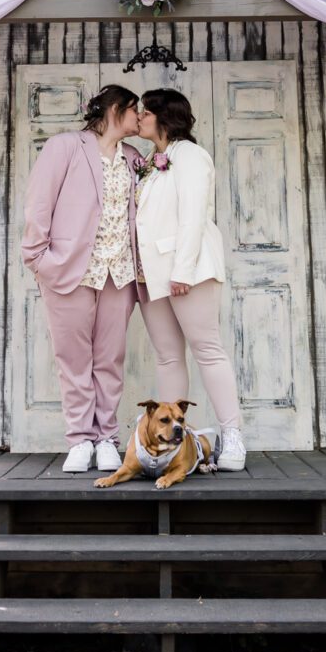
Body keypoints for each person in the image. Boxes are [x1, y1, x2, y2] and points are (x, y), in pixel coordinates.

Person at [21, 85, 145, 473]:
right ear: (114, 110)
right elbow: (39, 202)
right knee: (73, 359)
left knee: (109, 359)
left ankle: (106, 437)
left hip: (119, 273)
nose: (139, 118)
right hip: (69, 271)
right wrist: (38, 258)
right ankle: (79, 439)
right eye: (134, 110)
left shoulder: (134, 157)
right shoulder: (65, 147)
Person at [135, 87, 246, 472]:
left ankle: (232, 436)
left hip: (190, 270)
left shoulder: (192, 156)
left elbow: (194, 216)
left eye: (143, 111)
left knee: (208, 350)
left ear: (163, 117)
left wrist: (182, 271)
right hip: (151, 274)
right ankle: (171, 442)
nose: (138, 117)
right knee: (167, 356)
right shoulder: (152, 160)